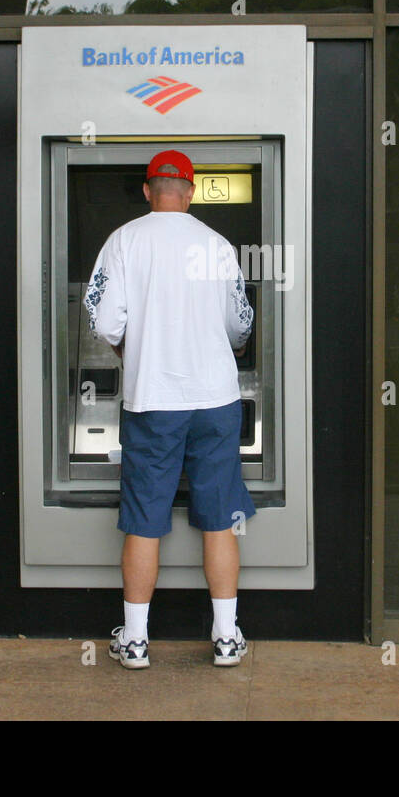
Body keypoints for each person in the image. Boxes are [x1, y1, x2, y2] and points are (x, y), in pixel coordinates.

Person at [84, 149, 256, 669]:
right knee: (219, 518)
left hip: (153, 400)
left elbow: (103, 320)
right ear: (192, 190)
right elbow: (239, 324)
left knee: (144, 519)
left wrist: (129, 349)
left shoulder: (123, 241)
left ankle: (134, 641)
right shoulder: (217, 245)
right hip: (215, 401)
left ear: (147, 190)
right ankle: (225, 637)